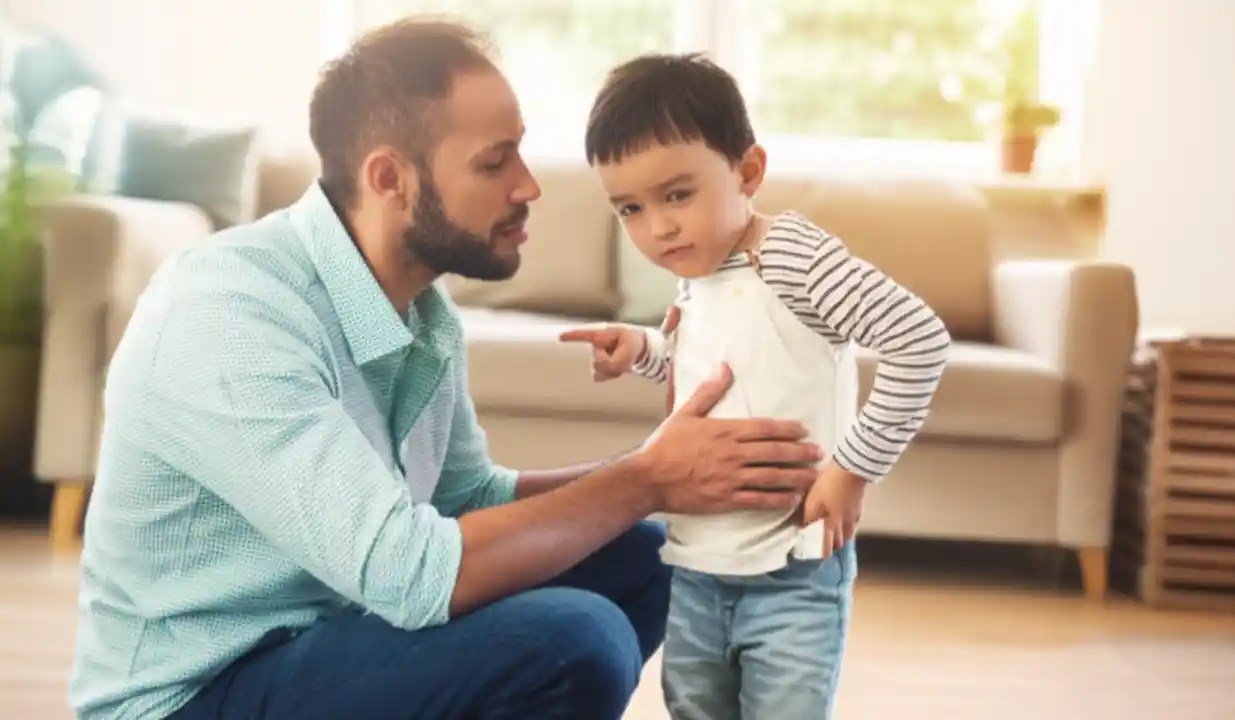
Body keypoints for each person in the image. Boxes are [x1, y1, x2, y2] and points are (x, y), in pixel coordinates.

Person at [67, 20, 827, 720]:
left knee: (643, 556)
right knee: (575, 639)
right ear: (390, 179)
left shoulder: (423, 315)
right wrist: (649, 477)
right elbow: (411, 571)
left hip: (331, 638)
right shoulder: (231, 312)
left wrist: (665, 469)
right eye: (495, 163)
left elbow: (466, 500)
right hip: (200, 691)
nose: (528, 186)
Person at [561, 53, 952, 719]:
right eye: (631, 207)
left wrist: (853, 470)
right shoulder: (700, 268)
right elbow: (715, 372)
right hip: (697, 567)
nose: (658, 227)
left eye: (677, 195)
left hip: (794, 567)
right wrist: (644, 350)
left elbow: (919, 341)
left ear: (747, 172)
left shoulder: (793, 257)